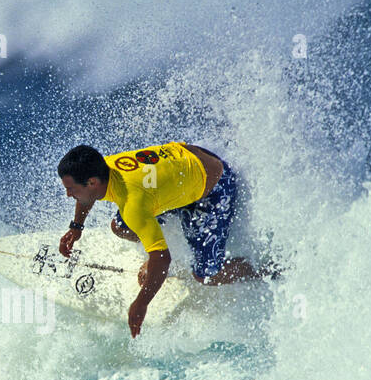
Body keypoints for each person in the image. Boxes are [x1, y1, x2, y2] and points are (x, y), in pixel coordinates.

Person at [57, 141, 263, 338]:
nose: (67, 194)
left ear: (92, 182)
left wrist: (141, 303)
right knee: (120, 227)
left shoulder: (133, 205)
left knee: (206, 275)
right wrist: (77, 226)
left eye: (71, 189)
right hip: (186, 169)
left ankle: (264, 270)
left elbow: (163, 259)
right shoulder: (105, 165)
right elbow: (85, 196)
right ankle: (153, 240)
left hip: (214, 187)